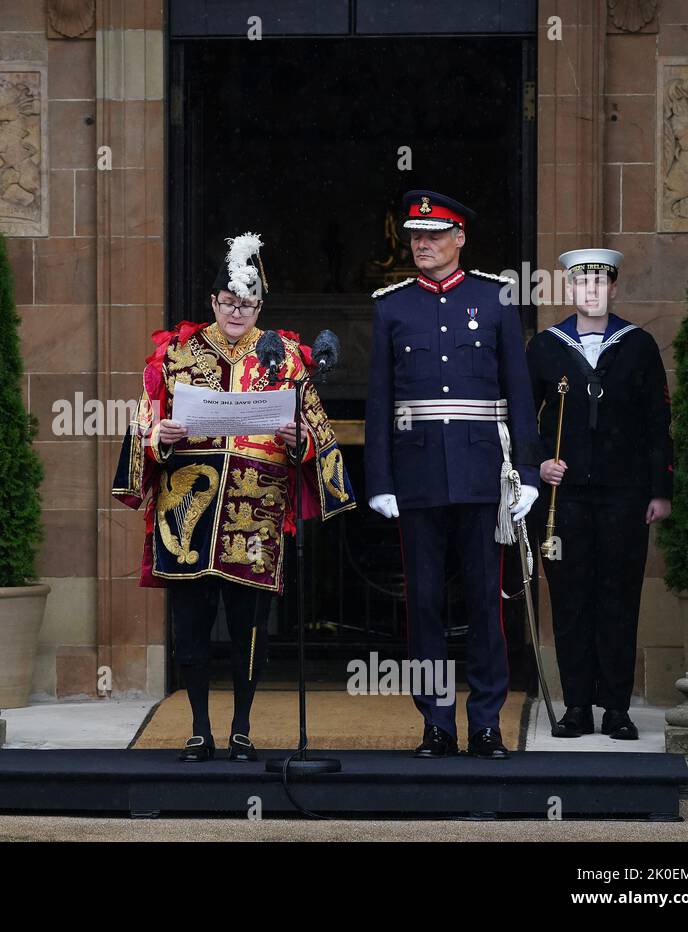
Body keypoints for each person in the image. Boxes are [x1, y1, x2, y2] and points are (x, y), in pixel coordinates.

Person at [112, 233, 355, 762]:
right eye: (228, 302)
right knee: (192, 626)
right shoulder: (176, 352)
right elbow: (142, 424)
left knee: (250, 628)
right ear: (213, 303)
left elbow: (317, 426)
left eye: (247, 303)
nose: (237, 311)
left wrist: (300, 441)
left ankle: (242, 727)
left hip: (256, 509)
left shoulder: (287, 355)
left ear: (260, 305)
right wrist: (159, 439)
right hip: (187, 510)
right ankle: (198, 726)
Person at [365, 190, 541, 760]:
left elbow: (519, 391)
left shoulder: (494, 301)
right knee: (425, 604)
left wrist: (531, 475)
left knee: (487, 602)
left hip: (481, 471)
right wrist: (380, 480)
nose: (422, 244)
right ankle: (436, 722)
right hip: (416, 474)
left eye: (434, 235)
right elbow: (379, 402)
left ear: (459, 238)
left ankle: (486, 721)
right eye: (416, 236)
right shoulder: (392, 307)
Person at [525, 248, 673, 740]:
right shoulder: (546, 347)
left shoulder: (639, 346)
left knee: (618, 599)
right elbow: (525, 422)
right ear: (569, 289)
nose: (589, 291)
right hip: (562, 499)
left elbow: (658, 424)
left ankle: (615, 708)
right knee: (569, 601)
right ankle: (577, 708)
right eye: (580, 282)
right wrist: (536, 465)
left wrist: (660, 490)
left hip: (625, 497)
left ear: (613, 288)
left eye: (598, 282)